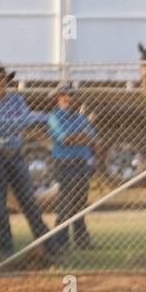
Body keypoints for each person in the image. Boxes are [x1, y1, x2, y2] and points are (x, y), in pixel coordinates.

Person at [0, 62, 50, 257]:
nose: (2, 82)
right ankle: (6, 249)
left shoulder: (16, 100)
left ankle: (47, 244)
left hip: (15, 153)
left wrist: (8, 125)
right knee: (0, 205)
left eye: (4, 78)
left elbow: (25, 120)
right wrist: (14, 125)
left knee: (28, 200)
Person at [47, 81, 96, 253]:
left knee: (80, 204)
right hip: (65, 164)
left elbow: (92, 138)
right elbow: (64, 138)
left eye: (71, 95)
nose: (68, 98)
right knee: (65, 204)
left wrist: (77, 137)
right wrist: (80, 136)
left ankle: (82, 240)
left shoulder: (80, 117)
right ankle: (60, 242)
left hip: (80, 163)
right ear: (58, 98)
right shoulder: (54, 117)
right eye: (64, 95)